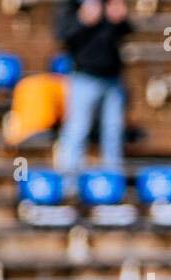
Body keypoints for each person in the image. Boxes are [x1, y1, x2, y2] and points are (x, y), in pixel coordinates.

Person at [54, 0, 131, 180]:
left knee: (113, 131)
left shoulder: (111, 2)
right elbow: (62, 35)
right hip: (84, 77)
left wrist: (120, 20)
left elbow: (127, 32)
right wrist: (83, 21)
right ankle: (69, 183)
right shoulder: (71, 4)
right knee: (77, 129)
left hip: (112, 77)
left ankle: (112, 184)